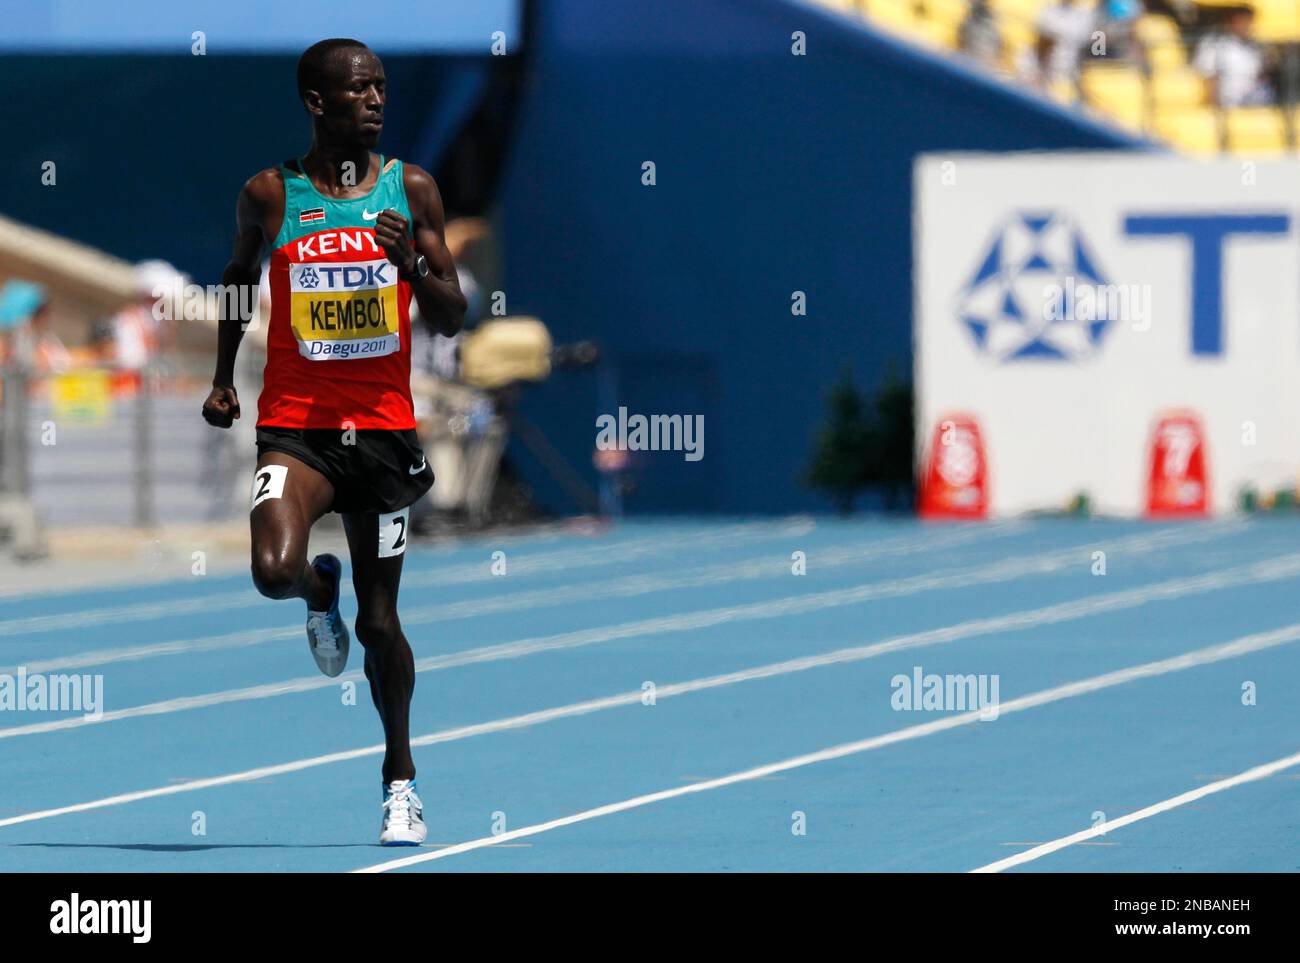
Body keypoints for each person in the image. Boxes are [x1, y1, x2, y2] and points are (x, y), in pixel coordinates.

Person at [201, 38, 466, 845]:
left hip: (382, 435)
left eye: (382, 87)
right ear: (318, 102)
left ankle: (400, 781)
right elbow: (240, 278)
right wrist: (223, 378)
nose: (377, 100)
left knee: (382, 623)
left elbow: (454, 314)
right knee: (270, 569)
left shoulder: (409, 187)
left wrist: (412, 269)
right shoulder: (268, 195)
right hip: (297, 428)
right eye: (360, 90)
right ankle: (319, 593)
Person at [1194, 5, 1273, 107]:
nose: (1246, 25)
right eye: (1241, 20)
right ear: (1230, 21)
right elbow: (1209, 80)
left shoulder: (1255, 45)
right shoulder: (1214, 43)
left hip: (1254, 102)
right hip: (1227, 103)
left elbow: (1262, 77)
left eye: (1249, 20)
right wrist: (1216, 112)